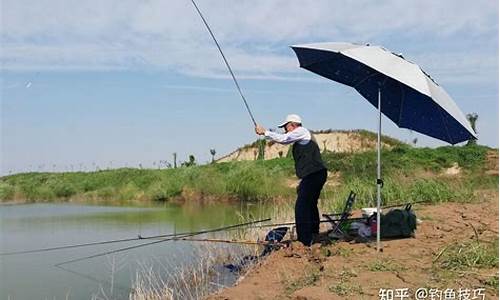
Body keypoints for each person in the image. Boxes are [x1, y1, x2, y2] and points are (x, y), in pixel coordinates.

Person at [255, 114, 327, 246]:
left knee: (301, 206)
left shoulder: (301, 131)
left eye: (285, 127)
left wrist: (265, 132)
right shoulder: (303, 135)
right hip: (315, 174)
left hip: (314, 174)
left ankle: (304, 241)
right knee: (310, 204)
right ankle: (313, 232)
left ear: (292, 125)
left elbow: (284, 139)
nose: (284, 129)